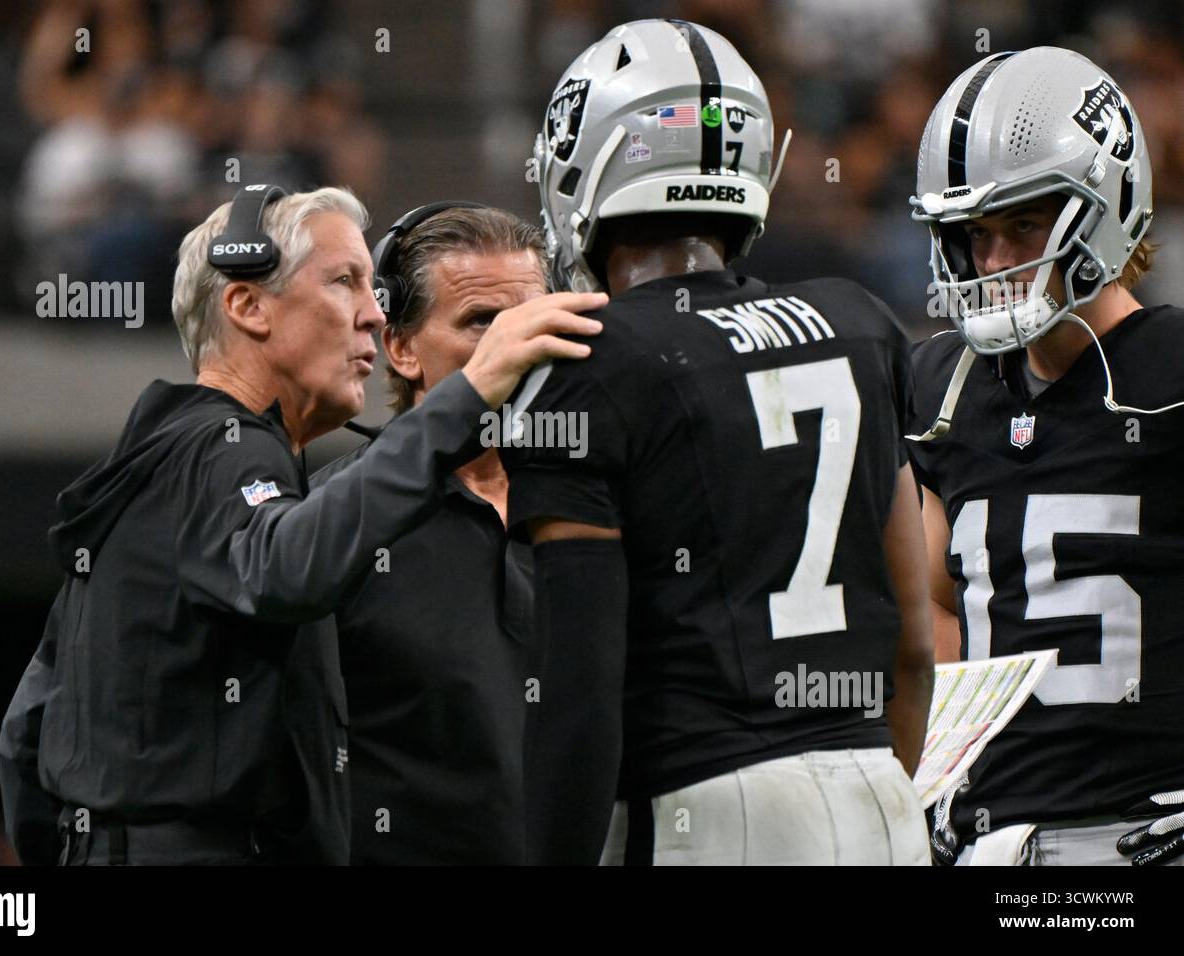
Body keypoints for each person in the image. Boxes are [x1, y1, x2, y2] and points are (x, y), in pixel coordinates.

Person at [0, 185, 605, 865]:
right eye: (345, 282)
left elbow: (27, 734)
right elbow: (286, 570)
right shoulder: (222, 449)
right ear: (246, 304)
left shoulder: (185, 466)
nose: (372, 315)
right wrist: (467, 398)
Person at [500, 19, 934, 865]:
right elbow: (913, 645)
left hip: (710, 807)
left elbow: (580, 696)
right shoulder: (861, 324)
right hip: (876, 787)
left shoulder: (588, 365)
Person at [907, 46, 1184, 866]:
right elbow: (937, 609)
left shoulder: (1171, 371)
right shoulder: (940, 386)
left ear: (1105, 202)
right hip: (986, 838)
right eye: (977, 234)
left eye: (1025, 224)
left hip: (1152, 833)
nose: (996, 263)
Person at [311, 204, 548, 865]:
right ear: (401, 347)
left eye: (528, 322)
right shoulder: (335, 523)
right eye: (481, 323)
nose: (516, 347)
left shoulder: (600, 510)